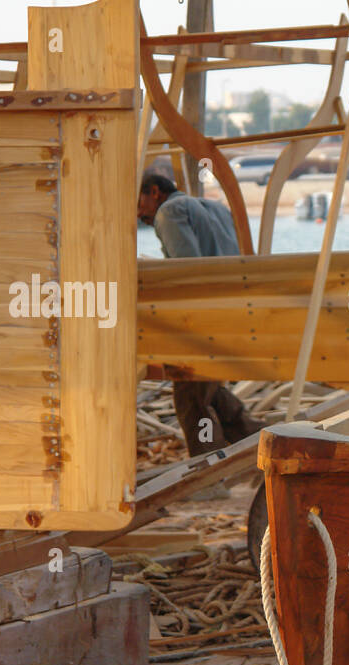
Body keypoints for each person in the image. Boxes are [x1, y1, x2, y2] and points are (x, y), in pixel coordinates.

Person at [138, 174, 264, 458]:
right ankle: (258, 441)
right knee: (209, 391)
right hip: (232, 310)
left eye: (139, 203)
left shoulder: (169, 212)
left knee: (190, 397)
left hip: (202, 319)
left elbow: (188, 272)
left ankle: (209, 472)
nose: (137, 213)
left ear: (154, 192)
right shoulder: (214, 207)